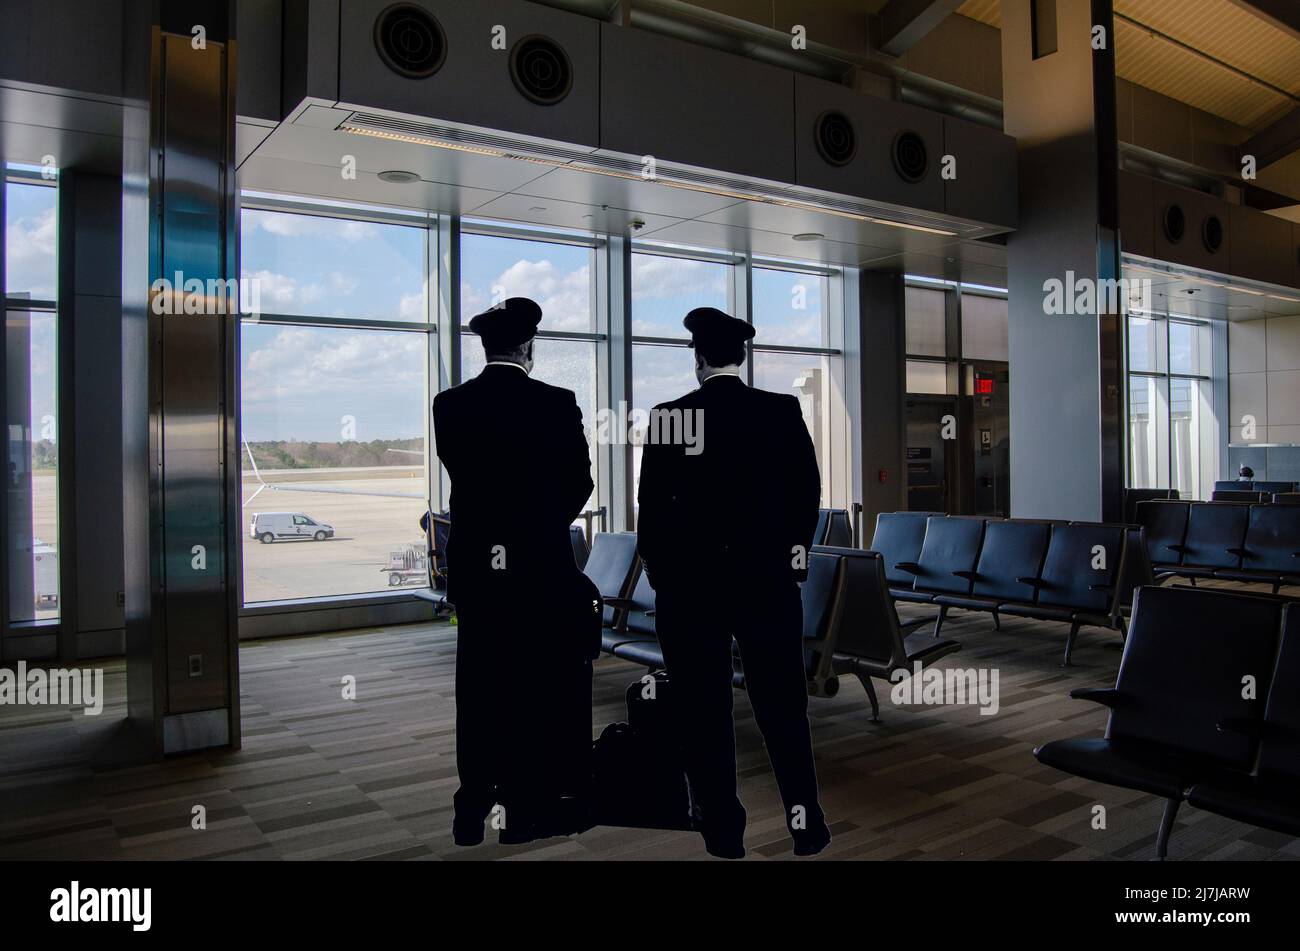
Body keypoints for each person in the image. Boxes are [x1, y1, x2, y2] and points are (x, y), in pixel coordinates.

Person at [635, 306, 830, 859]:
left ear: (697, 359)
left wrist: (660, 572)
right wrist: (792, 560)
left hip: (691, 590)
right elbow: (805, 494)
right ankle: (806, 824)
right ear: (739, 358)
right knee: (782, 707)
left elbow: (652, 508)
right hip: (766, 583)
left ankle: (724, 831)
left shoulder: (670, 416)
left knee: (703, 709)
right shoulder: (779, 410)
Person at [433, 297, 599, 847]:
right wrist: (540, 529)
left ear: (485, 346)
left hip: (479, 570)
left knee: (478, 687)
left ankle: (470, 806)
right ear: (530, 346)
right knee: (532, 689)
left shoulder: (449, 405)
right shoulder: (557, 403)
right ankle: (522, 809)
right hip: (539, 572)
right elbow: (581, 482)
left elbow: (468, 479)